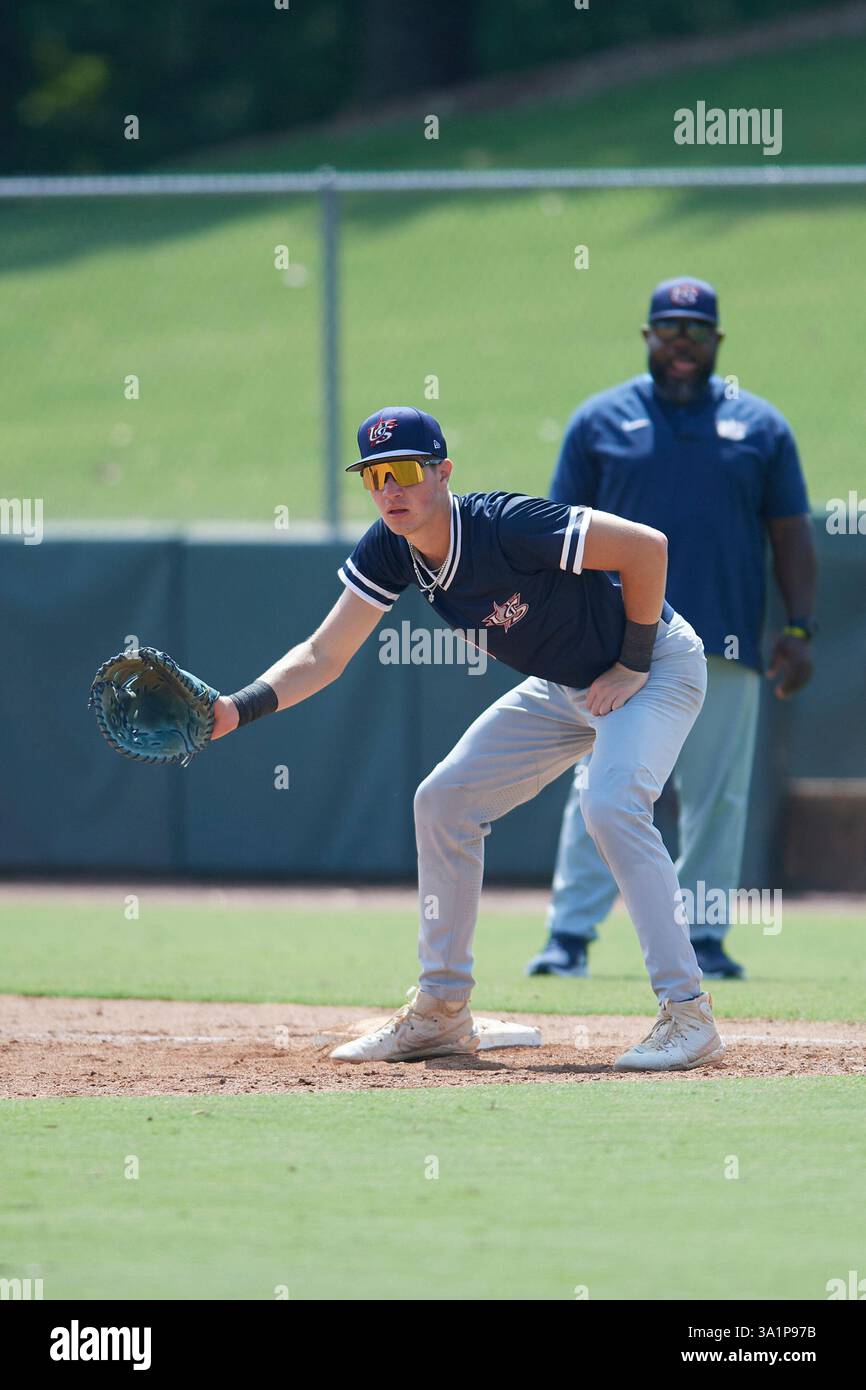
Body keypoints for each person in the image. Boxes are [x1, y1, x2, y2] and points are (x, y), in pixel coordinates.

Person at [212, 405, 724, 1072]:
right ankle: (442, 1014)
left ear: (443, 471)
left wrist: (631, 660)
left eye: (404, 471)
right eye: (374, 477)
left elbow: (645, 548)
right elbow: (323, 655)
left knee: (610, 805)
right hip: (566, 687)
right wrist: (233, 709)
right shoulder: (391, 547)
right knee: (444, 801)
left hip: (652, 667)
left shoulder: (504, 526)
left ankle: (688, 1014)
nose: (389, 490)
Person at [526, 277, 817, 983]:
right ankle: (570, 935)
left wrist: (800, 628)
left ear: (717, 341)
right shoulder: (599, 421)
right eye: (668, 329)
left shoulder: (761, 427)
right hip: (615, 641)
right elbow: (556, 536)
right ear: (648, 337)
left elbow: (790, 532)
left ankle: (707, 936)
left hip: (722, 635)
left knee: (720, 791)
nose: (681, 343)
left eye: (695, 331)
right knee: (602, 782)